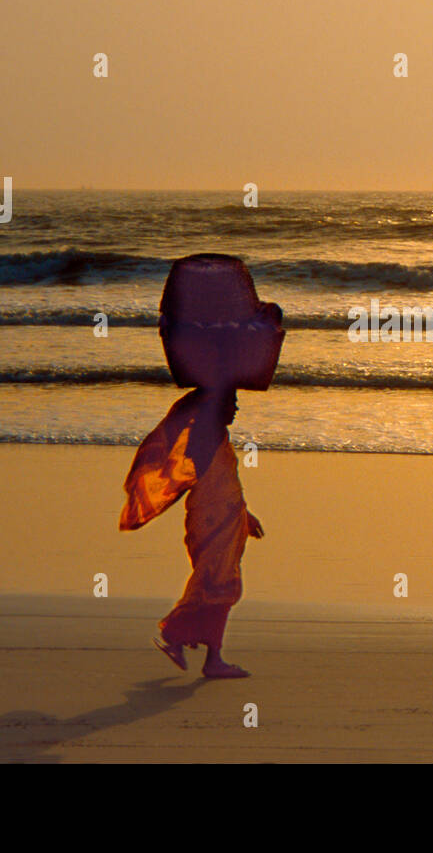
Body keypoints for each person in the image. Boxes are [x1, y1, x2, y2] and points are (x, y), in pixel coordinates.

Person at [117, 254, 283, 679]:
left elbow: (226, 489)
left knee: (217, 585)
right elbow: (213, 488)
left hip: (218, 525)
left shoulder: (214, 440)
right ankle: (204, 655)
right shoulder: (206, 438)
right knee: (220, 585)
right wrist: (236, 515)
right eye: (232, 401)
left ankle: (198, 649)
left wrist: (244, 516)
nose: (236, 407)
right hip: (212, 528)